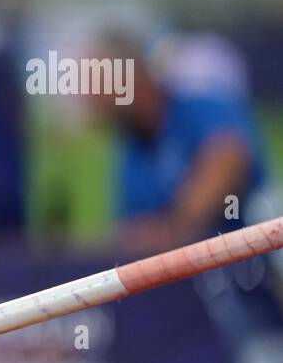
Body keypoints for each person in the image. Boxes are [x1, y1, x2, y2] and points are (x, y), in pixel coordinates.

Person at [90, 30, 269, 255]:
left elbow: (228, 160)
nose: (91, 97)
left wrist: (177, 226)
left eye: (99, 83)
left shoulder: (199, 107)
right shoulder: (129, 150)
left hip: (247, 263)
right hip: (187, 270)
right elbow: (132, 232)